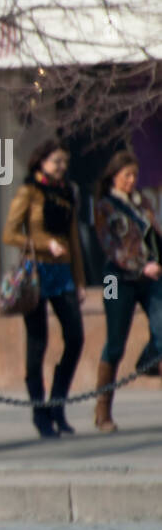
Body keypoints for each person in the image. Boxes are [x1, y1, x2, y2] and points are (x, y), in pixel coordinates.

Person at [3, 140, 85, 438]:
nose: (61, 167)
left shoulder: (68, 192)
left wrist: (79, 280)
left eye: (64, 162)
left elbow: (74, 238)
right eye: (55, 162)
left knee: (75, 337)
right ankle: (40, 415)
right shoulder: (29, 192)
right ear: (41, 163)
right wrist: (41, 244)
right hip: (36, 273)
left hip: (62, 273)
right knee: (37, 344)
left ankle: (57, 404)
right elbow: (9, 234)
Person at [92, 150, 162, 431]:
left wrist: (155, 261)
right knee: (115, 341)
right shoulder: (104, 206)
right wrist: (139, 266)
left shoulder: (141, 202)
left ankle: (147, 362)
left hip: (149, 275)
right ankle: (102, 411)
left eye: (134, 175)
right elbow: (111, 247)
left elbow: (154, 236)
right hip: (115, 279)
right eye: (126, 176)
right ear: (114, 176)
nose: (131, 181)